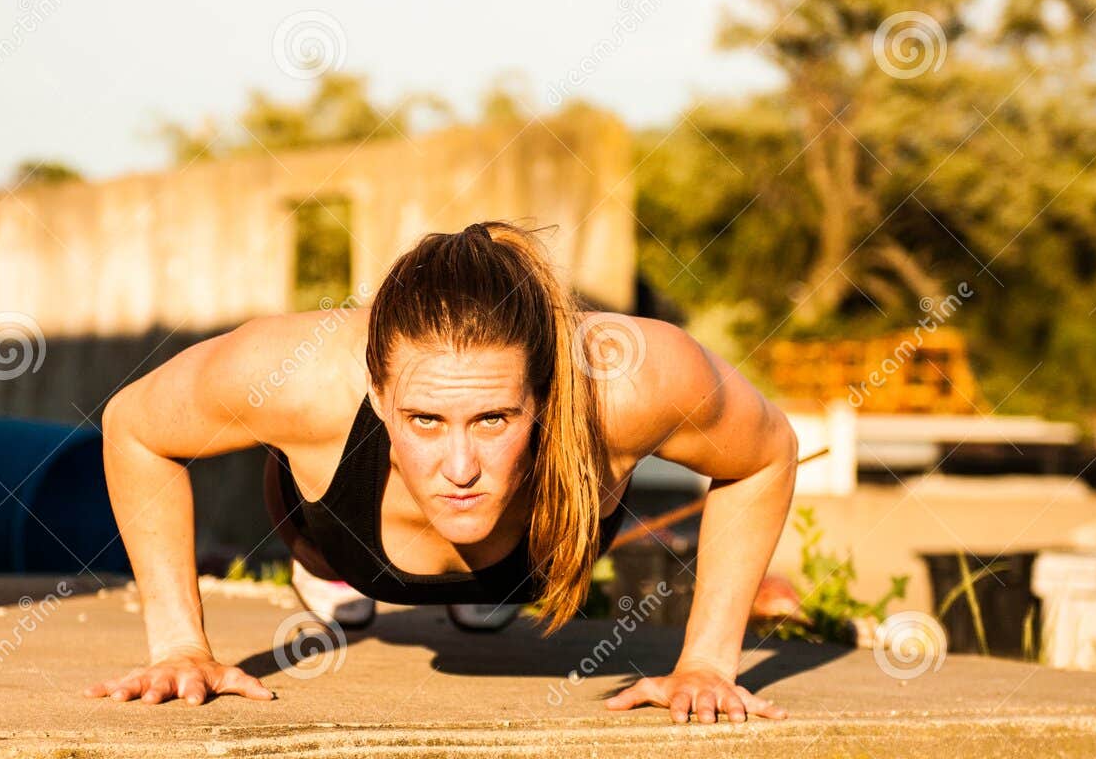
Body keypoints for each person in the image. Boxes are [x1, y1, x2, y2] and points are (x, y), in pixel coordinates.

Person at [84, 220, 798, 723]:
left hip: (535, 554)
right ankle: (332, 581)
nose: (461, 467)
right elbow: (135, 426)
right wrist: (180, 645)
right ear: (377, 395)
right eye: (426, 420)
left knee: (507, 562)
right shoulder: (297, 375)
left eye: (493, 419)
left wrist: (707, 661)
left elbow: (765, 454)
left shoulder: (633, 381)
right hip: (341, 543)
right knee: (347, 558)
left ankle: (489, 584)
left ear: (545, 394)